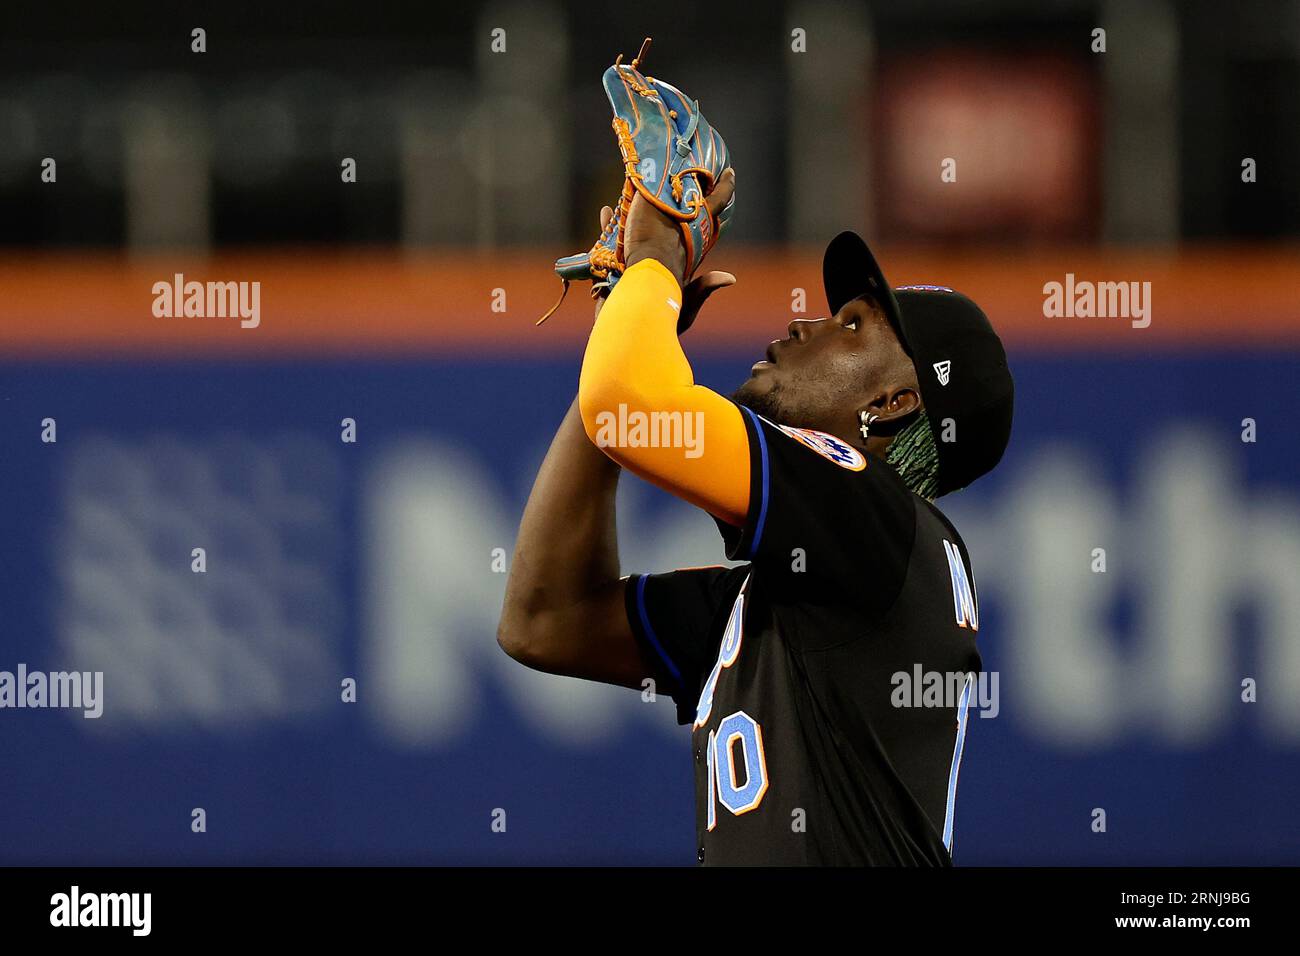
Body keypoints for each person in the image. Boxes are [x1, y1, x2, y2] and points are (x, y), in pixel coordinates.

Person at [498, 170, 1014, 864]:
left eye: (852, 326)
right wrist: (622, 326)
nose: (806, 323)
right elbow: (546, 620)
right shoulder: (806, 591)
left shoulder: (875, 515)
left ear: (893, 404)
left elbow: (635, 412)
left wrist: (651, 268)